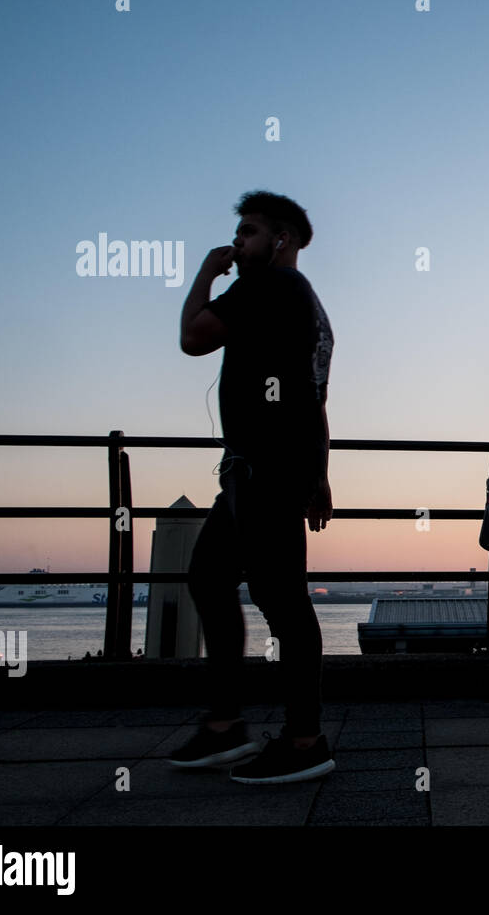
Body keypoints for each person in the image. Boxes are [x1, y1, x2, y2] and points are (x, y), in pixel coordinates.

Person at [168, 191, 336, 783]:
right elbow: (316, 399)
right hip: (267, 469)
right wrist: (319, 476)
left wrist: (205, 275)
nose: (237, 244)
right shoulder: (310, 306)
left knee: (283, 600)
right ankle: (224, 727)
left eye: (248, 233)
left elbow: (193, 336)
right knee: (211, 577)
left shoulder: (266, 285)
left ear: (280, 239)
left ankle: (304, 739)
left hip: (264, 469)